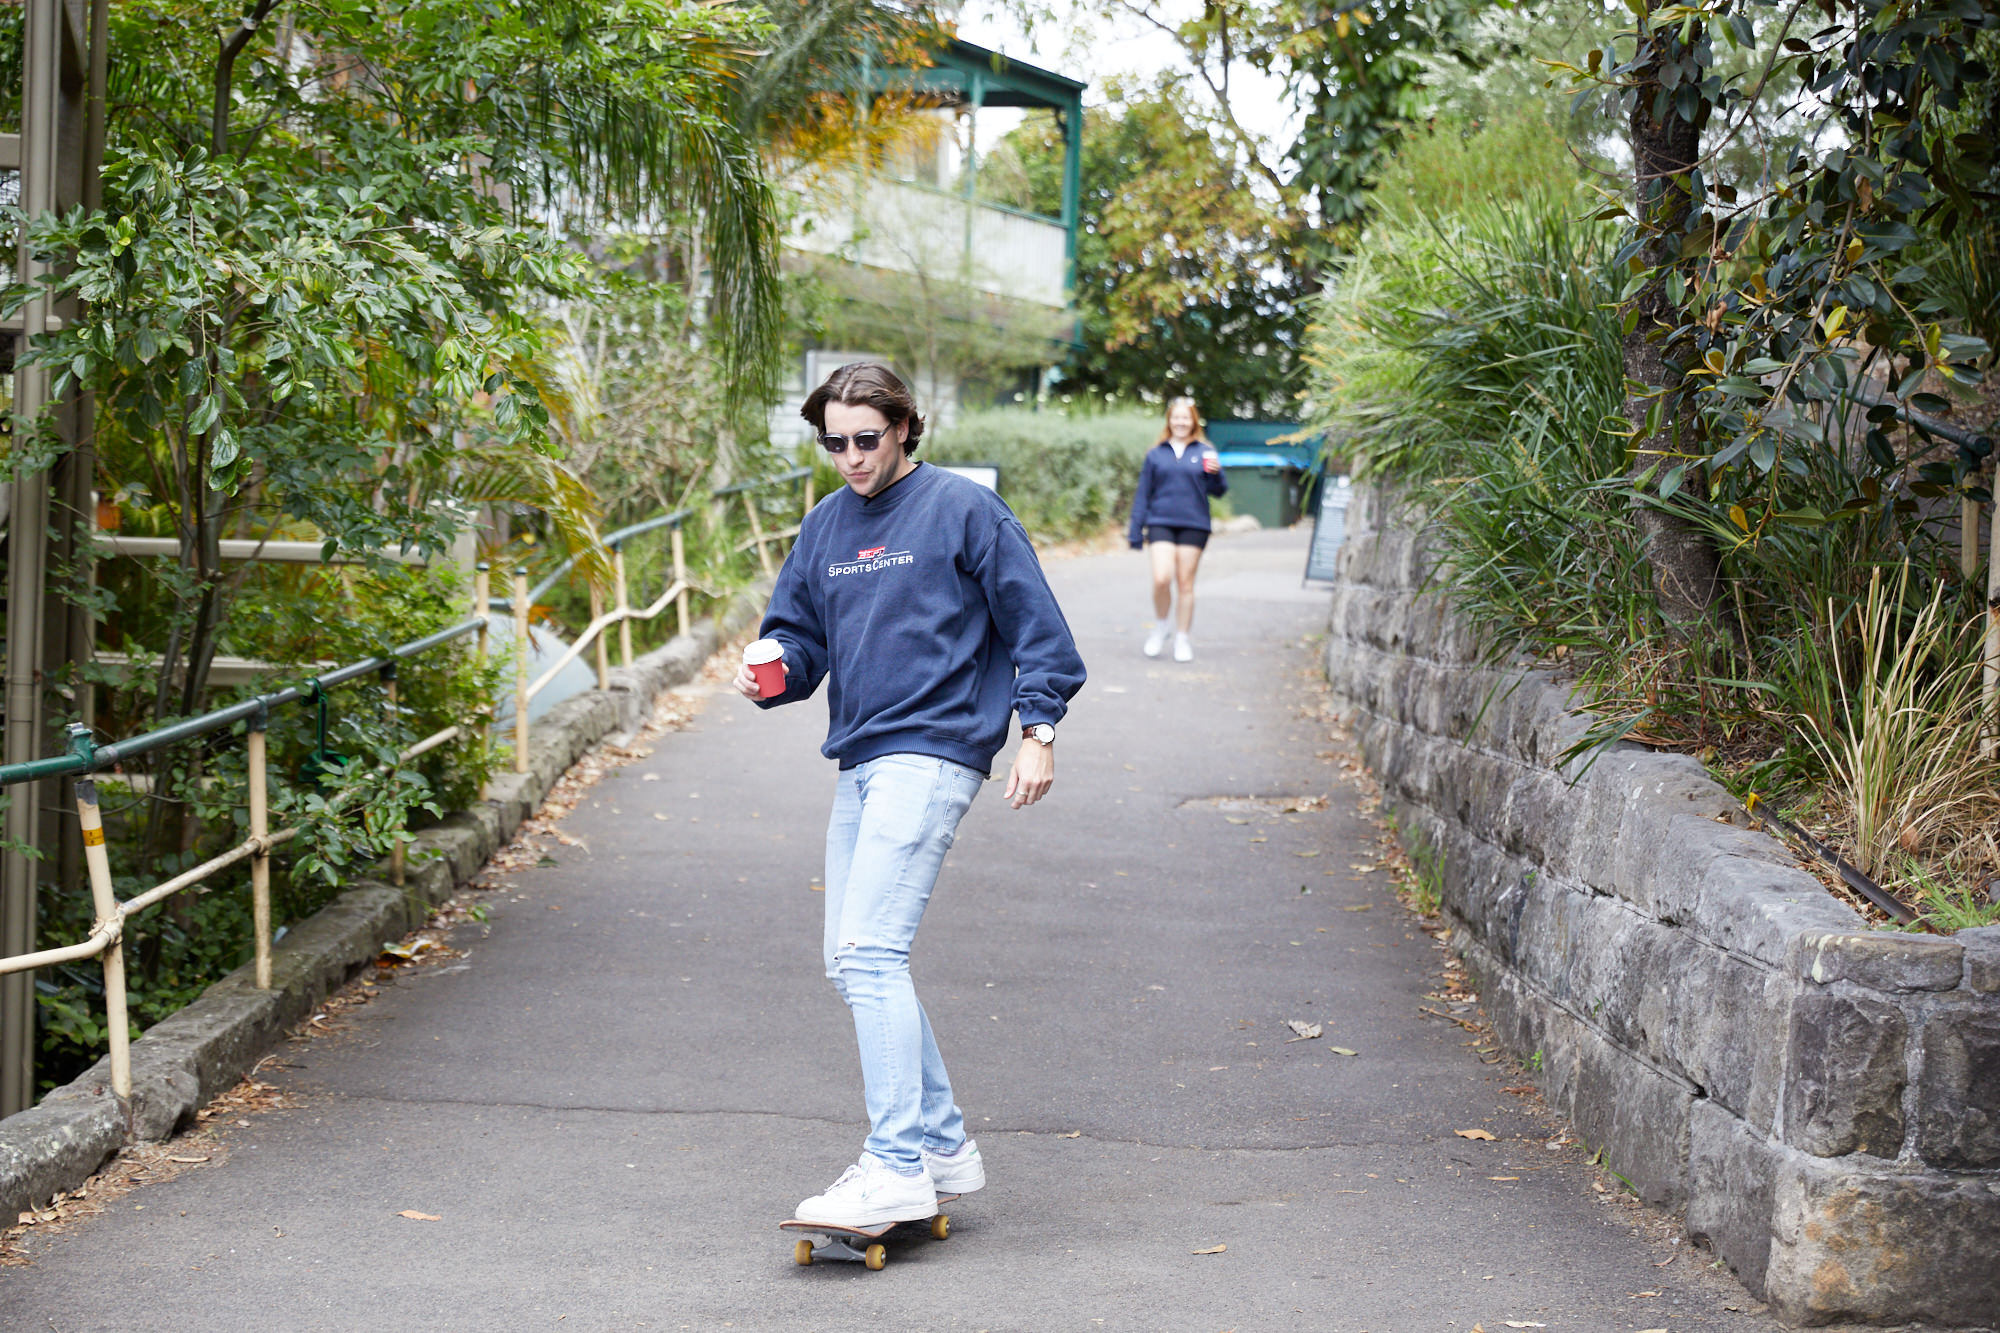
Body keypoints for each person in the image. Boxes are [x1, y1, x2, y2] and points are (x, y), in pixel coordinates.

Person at [733, 362, 1086, 1230]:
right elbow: (800, 637)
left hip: (932, 755)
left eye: (866, 438)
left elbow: (1039, 627)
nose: (850, 456)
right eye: (834, 441)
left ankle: (894, 1163)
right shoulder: (823, 527)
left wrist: (1037, 732)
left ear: (903, 429)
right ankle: (940, 1145)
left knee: (868, 952)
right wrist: (772, 671)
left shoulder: (963, 509)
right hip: (860, 759)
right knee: (848, 958)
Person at [1125, 396, 1227, 661]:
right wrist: (1135, 530)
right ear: (1169, 420)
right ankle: (1160, 627)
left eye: (1186, 417)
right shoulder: (1156, 453)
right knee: (1161, 577)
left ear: (1193, 420)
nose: (1181, 422)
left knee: (1185, 583)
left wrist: (1216, 474)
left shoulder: (1205, 451)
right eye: (1176, 417)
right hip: (1160, 521)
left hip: (1194, 524)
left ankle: (1182, 638)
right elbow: (1143, 494)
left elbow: (1218, 491)